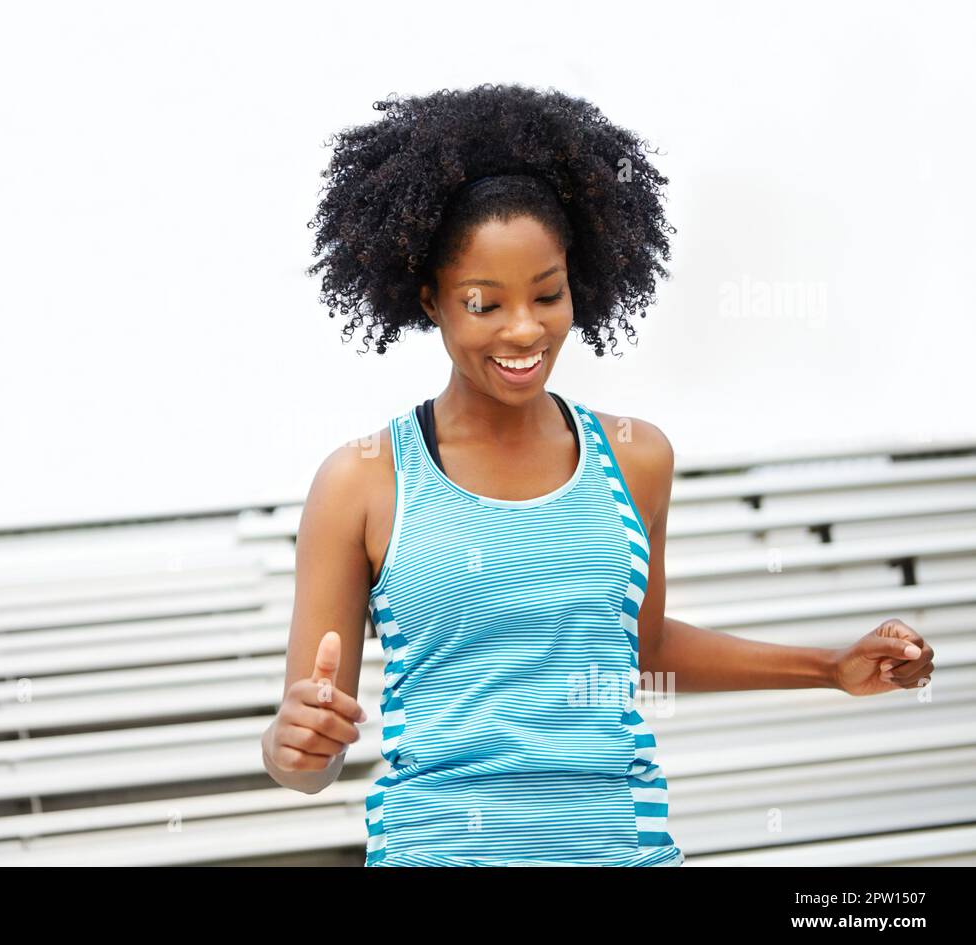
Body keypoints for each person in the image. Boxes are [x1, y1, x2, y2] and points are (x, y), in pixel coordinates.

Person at [261, 83, 935, 866]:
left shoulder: (636, 458)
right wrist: (292, 747)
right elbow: (306, 752)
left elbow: (639, 650)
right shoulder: (363, 482)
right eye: (484, 304)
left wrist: (829, 669)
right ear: (430, 302)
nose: (525, 329)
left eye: (547, 295)